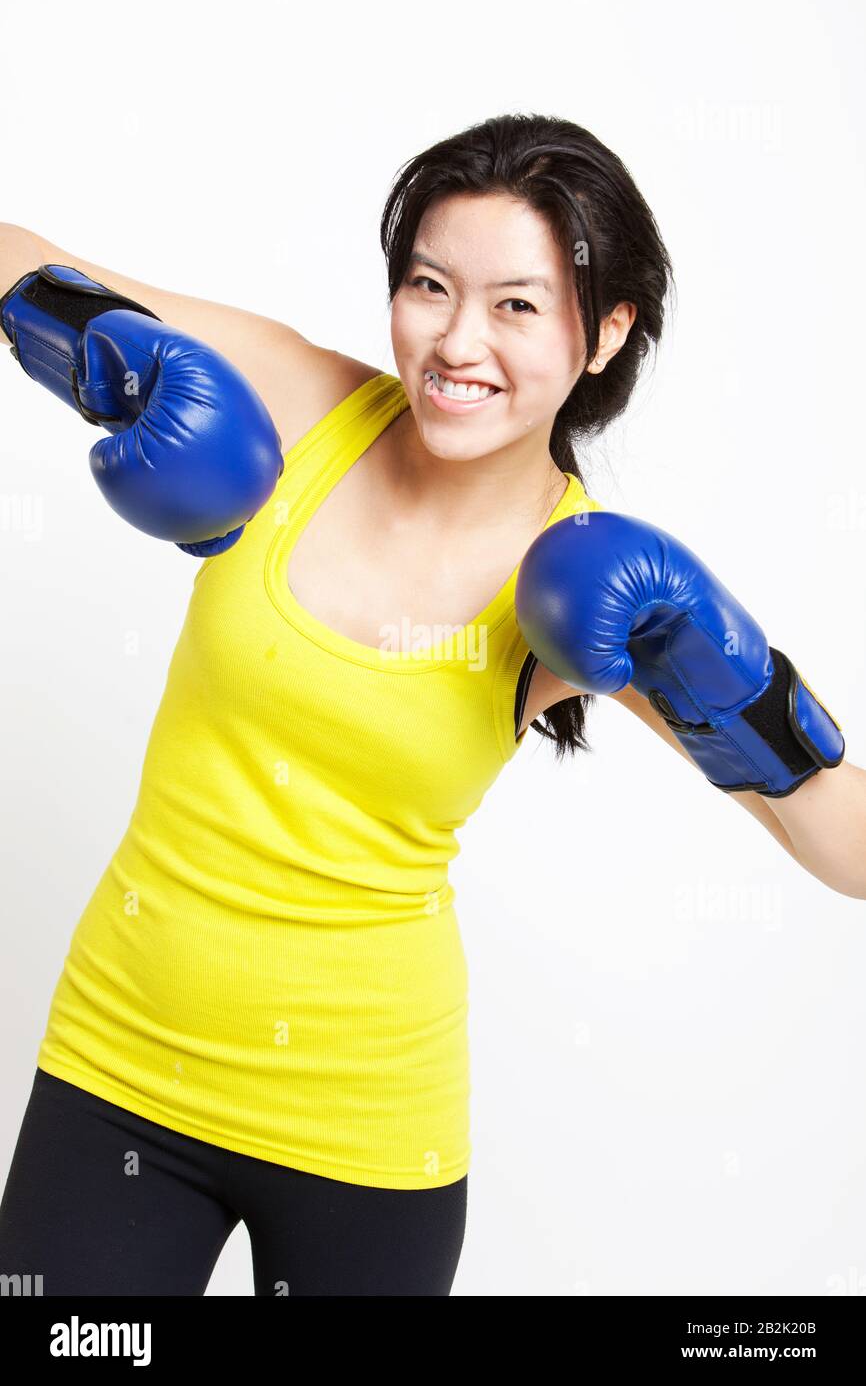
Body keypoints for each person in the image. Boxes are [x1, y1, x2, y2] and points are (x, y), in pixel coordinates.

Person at [0, 112, 858, 1299]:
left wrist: (741, 686)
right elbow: (12, 247)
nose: (458, 340)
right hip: (117, 1065)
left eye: (517, 303)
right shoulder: (303, 406)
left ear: (604, 332)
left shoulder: (586, 586)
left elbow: (843, 841)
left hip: (363, 1130)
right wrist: (98, 344)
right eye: (428, 286)